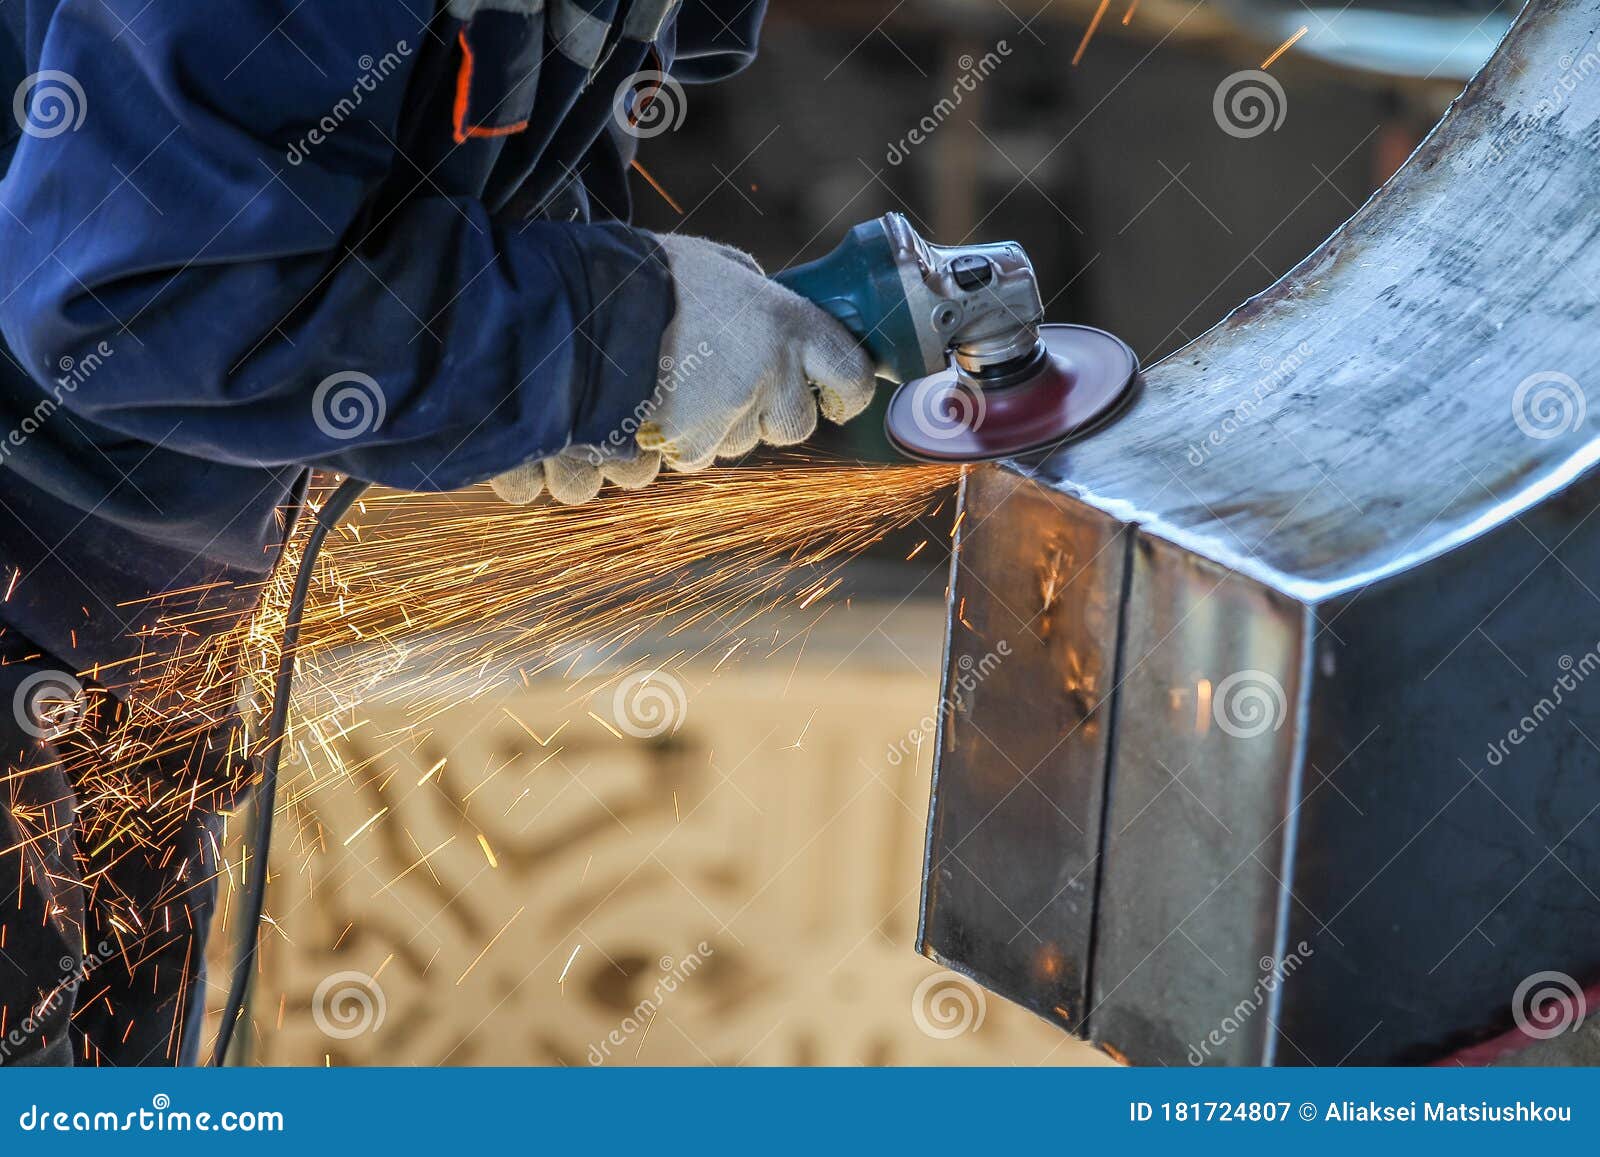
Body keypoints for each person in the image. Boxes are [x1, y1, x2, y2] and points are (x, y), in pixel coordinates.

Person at [0, 0, 875, 1066]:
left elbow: (445, 123)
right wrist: (604, 335)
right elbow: (145, 298)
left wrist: (530, 332)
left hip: (129, 652)